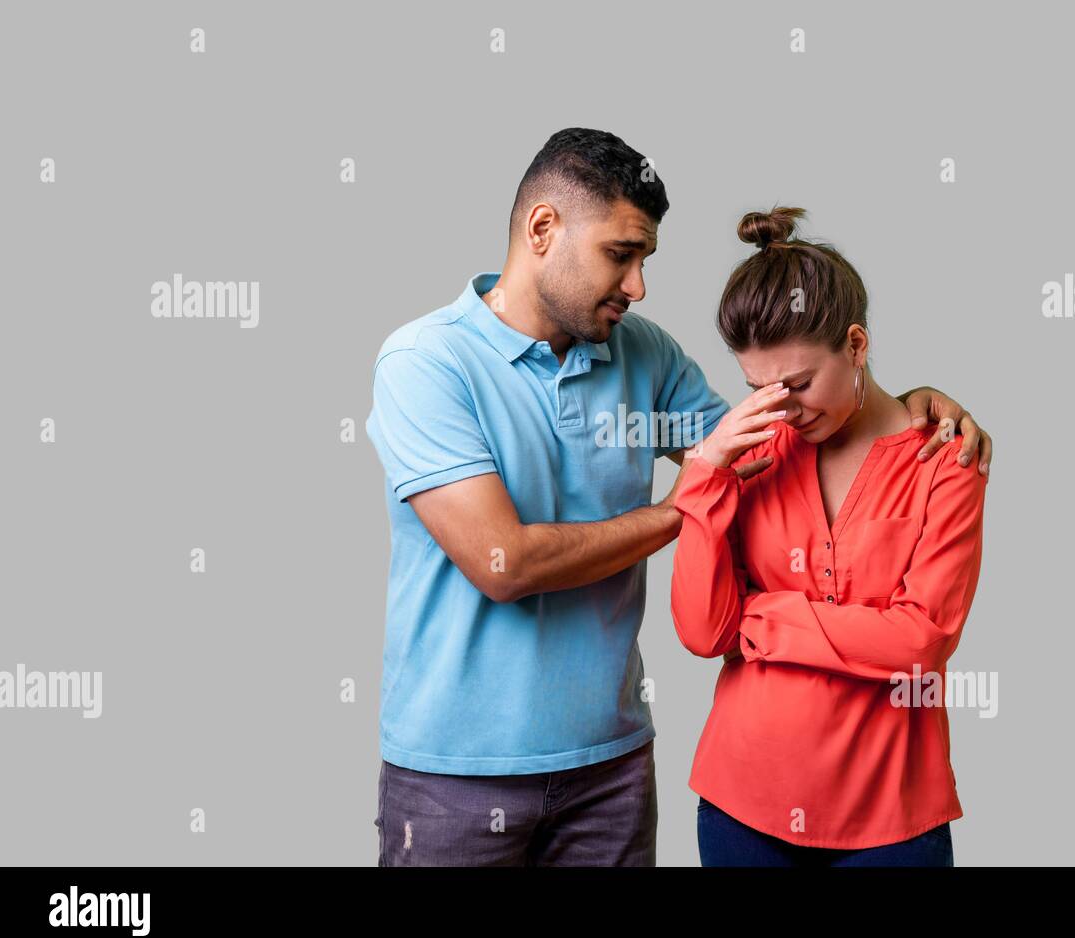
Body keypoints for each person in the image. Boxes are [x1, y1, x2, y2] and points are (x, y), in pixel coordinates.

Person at [365, 130, 993, 866]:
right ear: (543, 229)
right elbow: (506, 564)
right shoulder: (426, 363)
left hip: (613, 765)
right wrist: (687, 504)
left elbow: (769, 440)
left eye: (645, 261)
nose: (637, 286)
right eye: (620, 254)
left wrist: (913, 402)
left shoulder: (646, 354)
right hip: (455, 775)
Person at [671, 206, 989, 866]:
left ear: (855, 344)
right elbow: (704, 633)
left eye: (799, 384)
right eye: (758, 389)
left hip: (892, 815)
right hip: (740, 805)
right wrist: (705, 471)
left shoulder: (943, 459)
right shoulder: (755, 454)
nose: (782, 409)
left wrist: (767, 618)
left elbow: (919, 644)